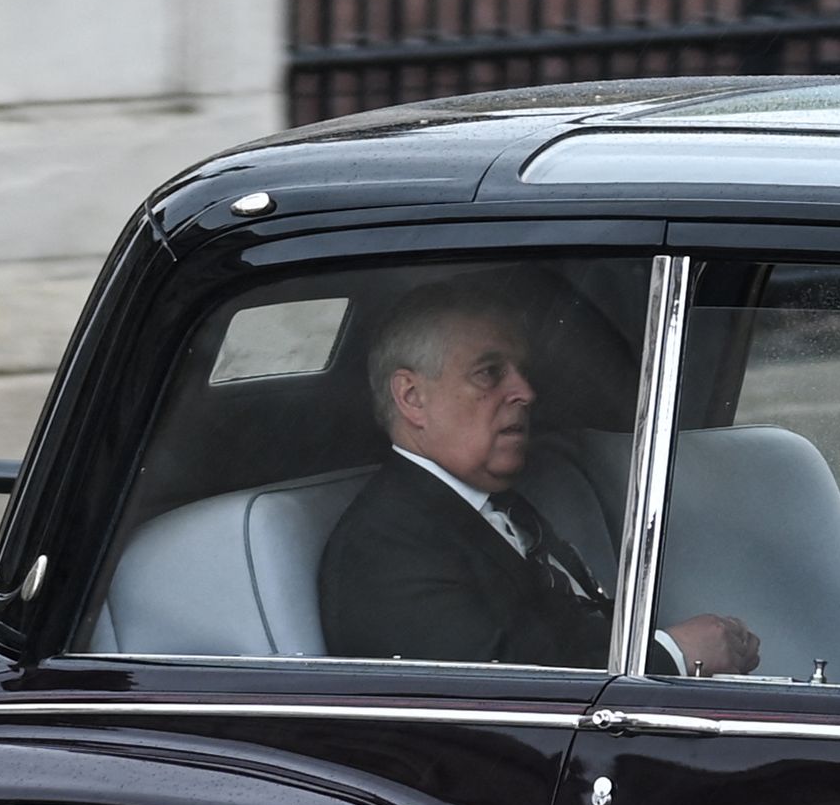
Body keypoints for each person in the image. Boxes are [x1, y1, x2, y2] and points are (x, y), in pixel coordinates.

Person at [317, 278, 761, 674]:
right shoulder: (384, 548)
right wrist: (674, 655)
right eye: (489, 373)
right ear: (412, 397)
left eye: (522, 372)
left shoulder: (495, 506)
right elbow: (499, 688)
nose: (525, 393)